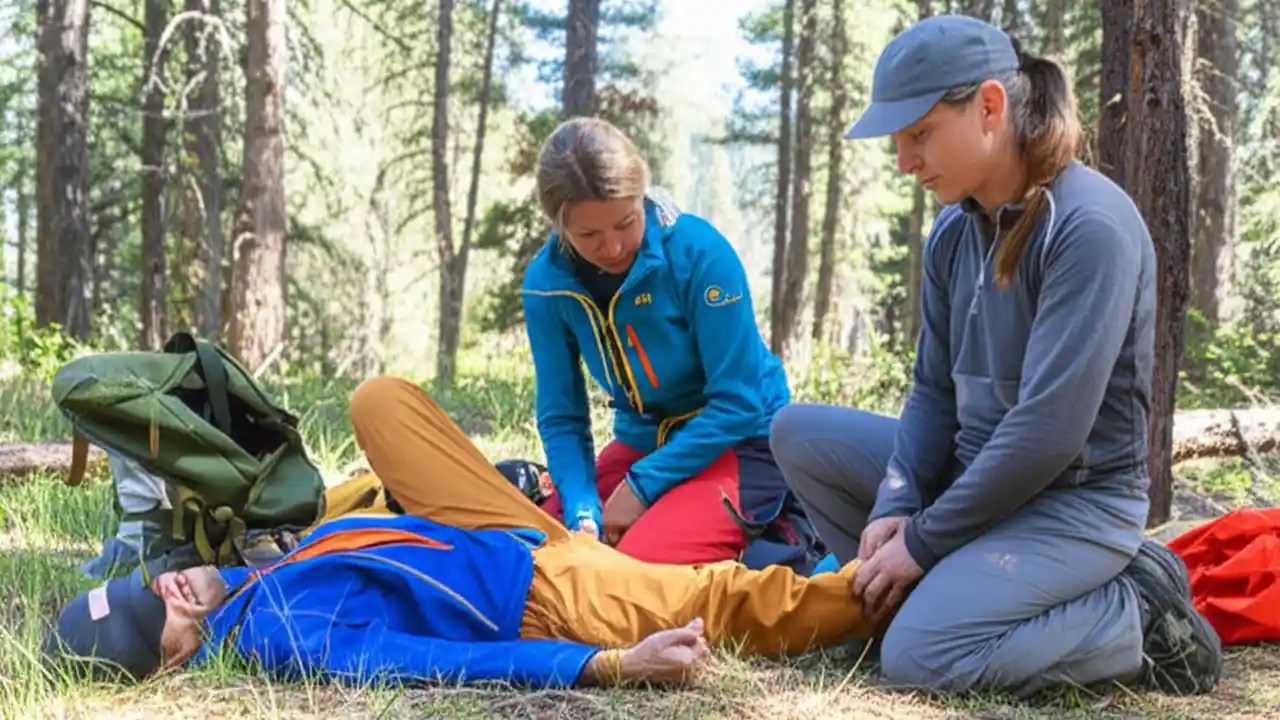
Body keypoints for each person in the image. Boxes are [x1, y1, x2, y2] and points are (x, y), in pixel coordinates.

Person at [768, 15, 1223, 697]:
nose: (904, 162)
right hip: (975, 480)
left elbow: (1049, 434)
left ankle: (1136, 614)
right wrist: (899, 499)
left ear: (989, 106)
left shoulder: (1088, 227)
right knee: (795, 432)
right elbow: (931, 392)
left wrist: (922, 543)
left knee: (920, 658)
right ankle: (927, 606)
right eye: (898, 141)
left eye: (919, 134)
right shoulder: (954, 231)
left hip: (1076, 503)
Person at [42, 377, 880, 687]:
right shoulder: (276, 634)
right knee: (732, 600)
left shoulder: (252, 583)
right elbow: (436, 661)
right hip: (547, 596)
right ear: (175, 658)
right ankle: (887, 584)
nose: (169, 588)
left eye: (149, 586)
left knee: (378, 402)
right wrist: (607, 665)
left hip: (512, 533)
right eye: (162, 619)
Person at [522, 117, 811, 570]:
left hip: (742, 442)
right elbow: (562, 416)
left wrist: (640, 488)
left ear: (643, 195)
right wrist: (582, 510)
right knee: (546, 551)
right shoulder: (546, 285)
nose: (613, 247)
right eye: (589, 235)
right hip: (644, 445)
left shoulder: (699, 254)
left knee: (639, 566)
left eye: (625, 222)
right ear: (559, 226)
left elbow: (739, 404)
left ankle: (787, 526)